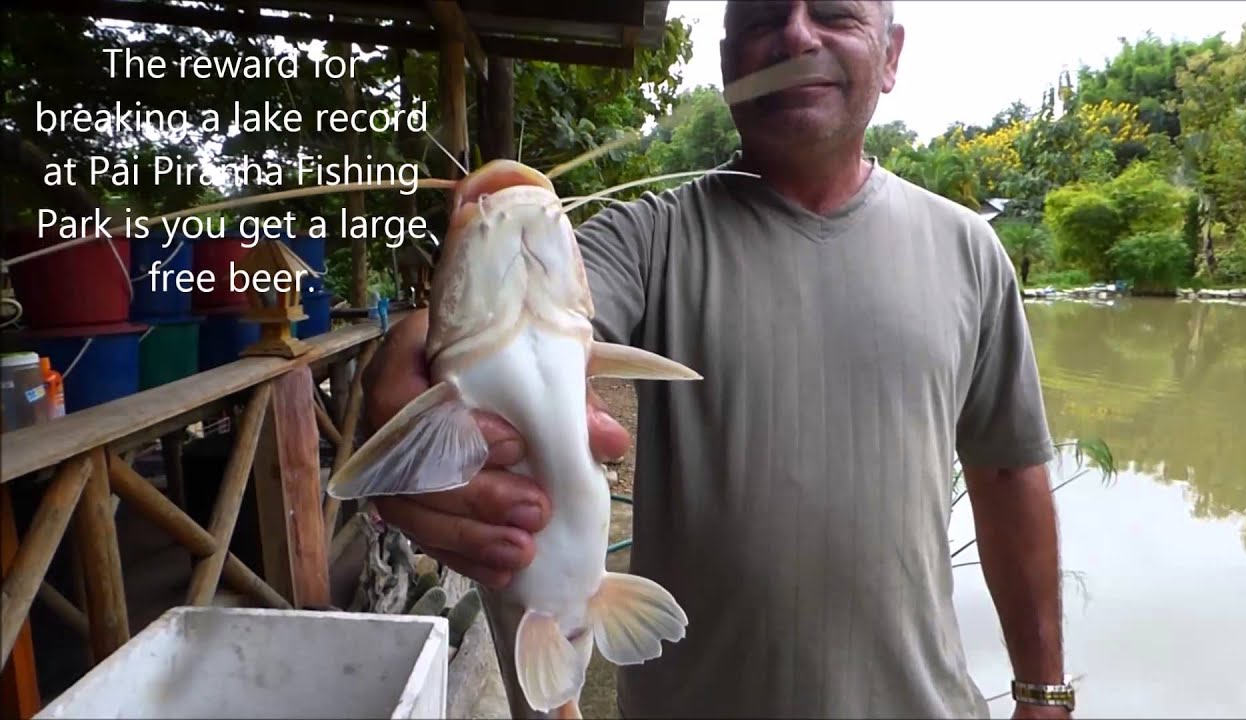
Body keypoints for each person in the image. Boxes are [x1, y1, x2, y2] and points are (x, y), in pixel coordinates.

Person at [364, 1, 1073, 718]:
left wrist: (1044, 693)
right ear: (729, 64)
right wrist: (413, 357)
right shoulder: (648, 236)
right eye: (764, 18)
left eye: (832, 12)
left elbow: (1009, 472)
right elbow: (523, 311)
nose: (796, 34)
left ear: (891, 56)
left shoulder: (970, 253)